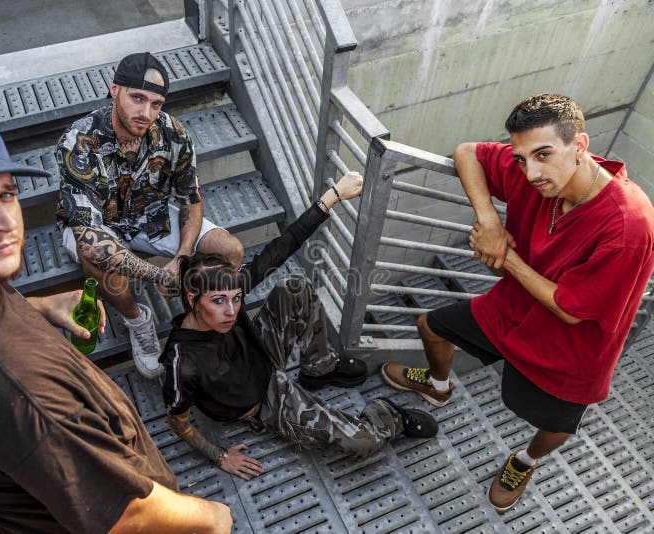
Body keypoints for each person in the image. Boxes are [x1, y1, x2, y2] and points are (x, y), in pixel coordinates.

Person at [0, 99, 232, 533]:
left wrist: (35, 306)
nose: (5, 222)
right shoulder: (18, 390)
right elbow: (129, 515)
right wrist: (212, 518)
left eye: (7, 194)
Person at [381, 93, 654, 512]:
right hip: (512, 308)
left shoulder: (628, 224)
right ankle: (438, 388)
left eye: (543, 154)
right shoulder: (539, 173)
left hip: (571, 350)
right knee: (430, 327)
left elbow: (569, 307)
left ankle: (524, 461)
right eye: (521, 158)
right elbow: (466, 153)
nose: (530, 173)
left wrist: (505, 257)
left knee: (555, 424)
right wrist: (489, 221)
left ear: (579, 147)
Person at [159, 171, 439, 480]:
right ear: (193, 298)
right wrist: (220, 455)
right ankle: (389, 415)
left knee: (294, 287)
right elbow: (178, 421)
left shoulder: (226, 292)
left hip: (261, 354)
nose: (231, 310)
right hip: (263, 402)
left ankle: (319, 368)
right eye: (218, 301)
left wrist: (332, 195)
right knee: (360, 440)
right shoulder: (181, 363)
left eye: (237, 298)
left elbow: (281, 247)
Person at [56, 52, 244, 379]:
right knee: (95, 258)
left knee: (231, 251)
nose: (146, 113)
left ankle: (200, 315)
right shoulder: (80, 142)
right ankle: (137, 320)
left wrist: (183, 258)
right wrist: (158, 275)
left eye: (155, 103)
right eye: (137, 98)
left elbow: (191, 200)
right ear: (114, 90)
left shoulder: (173, 134)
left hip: (151, 217)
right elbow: (88, 238)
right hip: (98, 224)